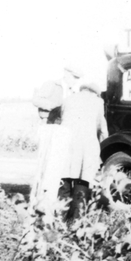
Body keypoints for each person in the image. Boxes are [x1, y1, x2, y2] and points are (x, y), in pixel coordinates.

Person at [30, 66, 84, 215]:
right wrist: (54, 107)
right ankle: (39, 203)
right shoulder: (52, 85)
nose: (76, 80)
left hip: (63, 132)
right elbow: (36, 99)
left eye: (78, 78)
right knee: (45, 167)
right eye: (74, 76)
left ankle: (52, 203)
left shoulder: (74, 91)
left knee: (58, 168)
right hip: (49, 127)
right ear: (66, 74)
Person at [59, 80, 108, 220]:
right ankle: (75, 220)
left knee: (65, 180)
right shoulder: (98, 103)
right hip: (87, 147)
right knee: (83, 181)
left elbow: (63, 118)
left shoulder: (68, 99)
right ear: (95, 93)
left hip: (66, 145)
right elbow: (101, 128)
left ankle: (60, 218)